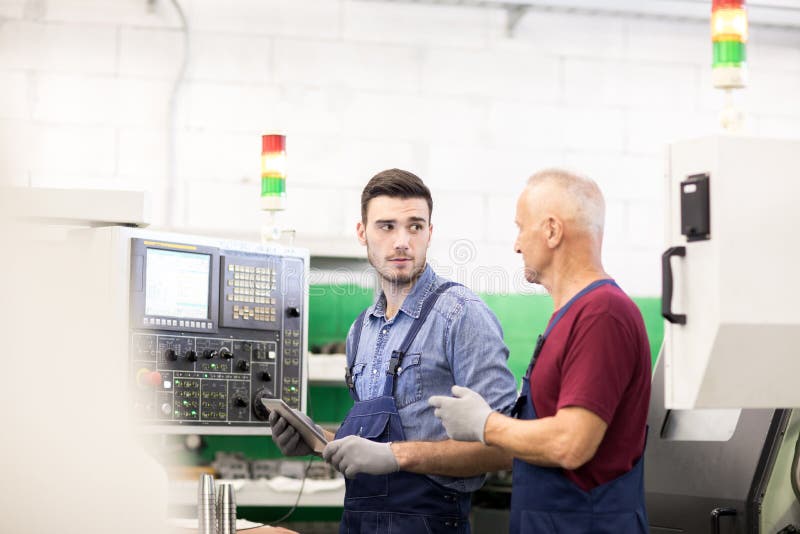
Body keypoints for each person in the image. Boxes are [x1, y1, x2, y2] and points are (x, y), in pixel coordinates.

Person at [269, 168, 518, 533]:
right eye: (386, 226)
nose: (402, 241)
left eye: (414, 226)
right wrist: (317, 440)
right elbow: (374, 444)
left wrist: (394, 456)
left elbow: (504, 448)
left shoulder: (461, 315)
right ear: (362, 232)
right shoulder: (360, 330)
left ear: (430, 233)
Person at [430, 169, 652, 534]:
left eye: (521, 227)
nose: (516, 244)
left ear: (551, 230)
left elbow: (570, 442)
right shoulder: (571, 315)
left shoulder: (602, 314)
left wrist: (485, 425)